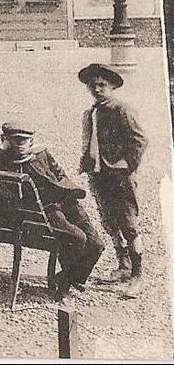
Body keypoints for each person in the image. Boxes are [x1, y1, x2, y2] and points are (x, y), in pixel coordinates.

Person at [0, 121, 104, 302]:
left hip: (66, 202)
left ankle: (70, 277)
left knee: (97, 244)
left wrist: (66, 188)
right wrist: (1, 147)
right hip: (43, 210)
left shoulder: (41, 154)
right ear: (5, 140)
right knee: (77, 238)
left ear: (31, 141)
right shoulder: (2, 160)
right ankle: (64, 286)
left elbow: (60, 173)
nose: (20, 144)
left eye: (24, 140)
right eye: (15, 140)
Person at [77, 63, 148, 299]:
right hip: (98, 175)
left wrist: (126, 165)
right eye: (92, 85)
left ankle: (138, 275)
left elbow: (139, 140)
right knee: (109, 222)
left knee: (128, 223)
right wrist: (87, 165)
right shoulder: (91, 112)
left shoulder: (121, 110)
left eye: (102, 85)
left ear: (112, 86)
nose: (96, 89)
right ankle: (123, 266)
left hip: (119, 177)